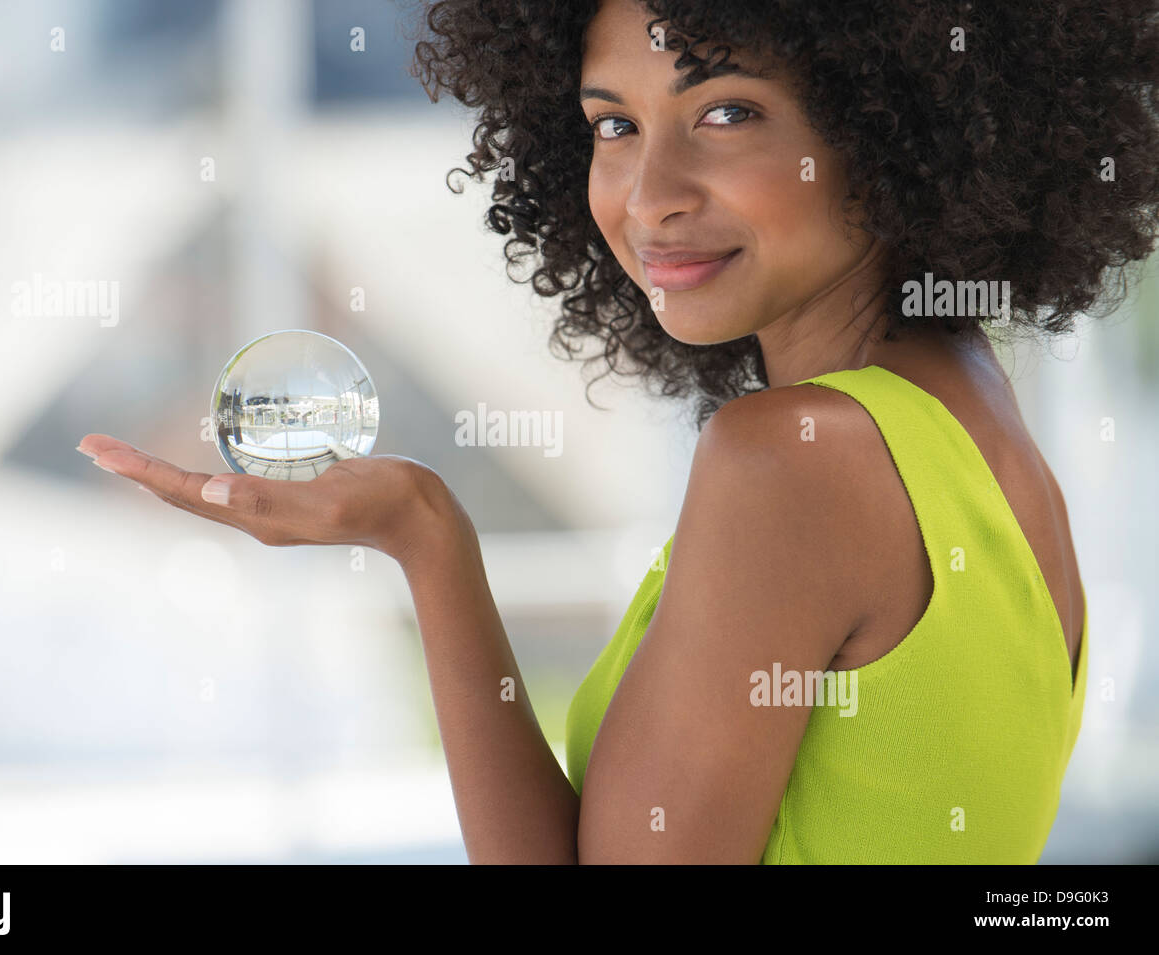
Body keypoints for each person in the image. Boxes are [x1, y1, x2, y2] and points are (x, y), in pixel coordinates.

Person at [79, 0, 1159, 863]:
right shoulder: (978, 424)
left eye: (727, 113)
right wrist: (419, 527)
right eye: (613, 124)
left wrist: (429, 545)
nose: (649, 196)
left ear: (897, 122)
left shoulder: (792, 456)